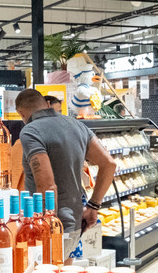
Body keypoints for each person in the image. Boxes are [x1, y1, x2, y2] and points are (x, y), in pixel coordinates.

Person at [14, 88, 116, 261]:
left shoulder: (30, 131)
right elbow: (109, 164)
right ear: (46, 104)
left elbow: (47, 185)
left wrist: (46, 224)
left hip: (46, 225)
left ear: (21, 113)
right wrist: (93, 206)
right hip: (74, 222)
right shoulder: (77, 125)